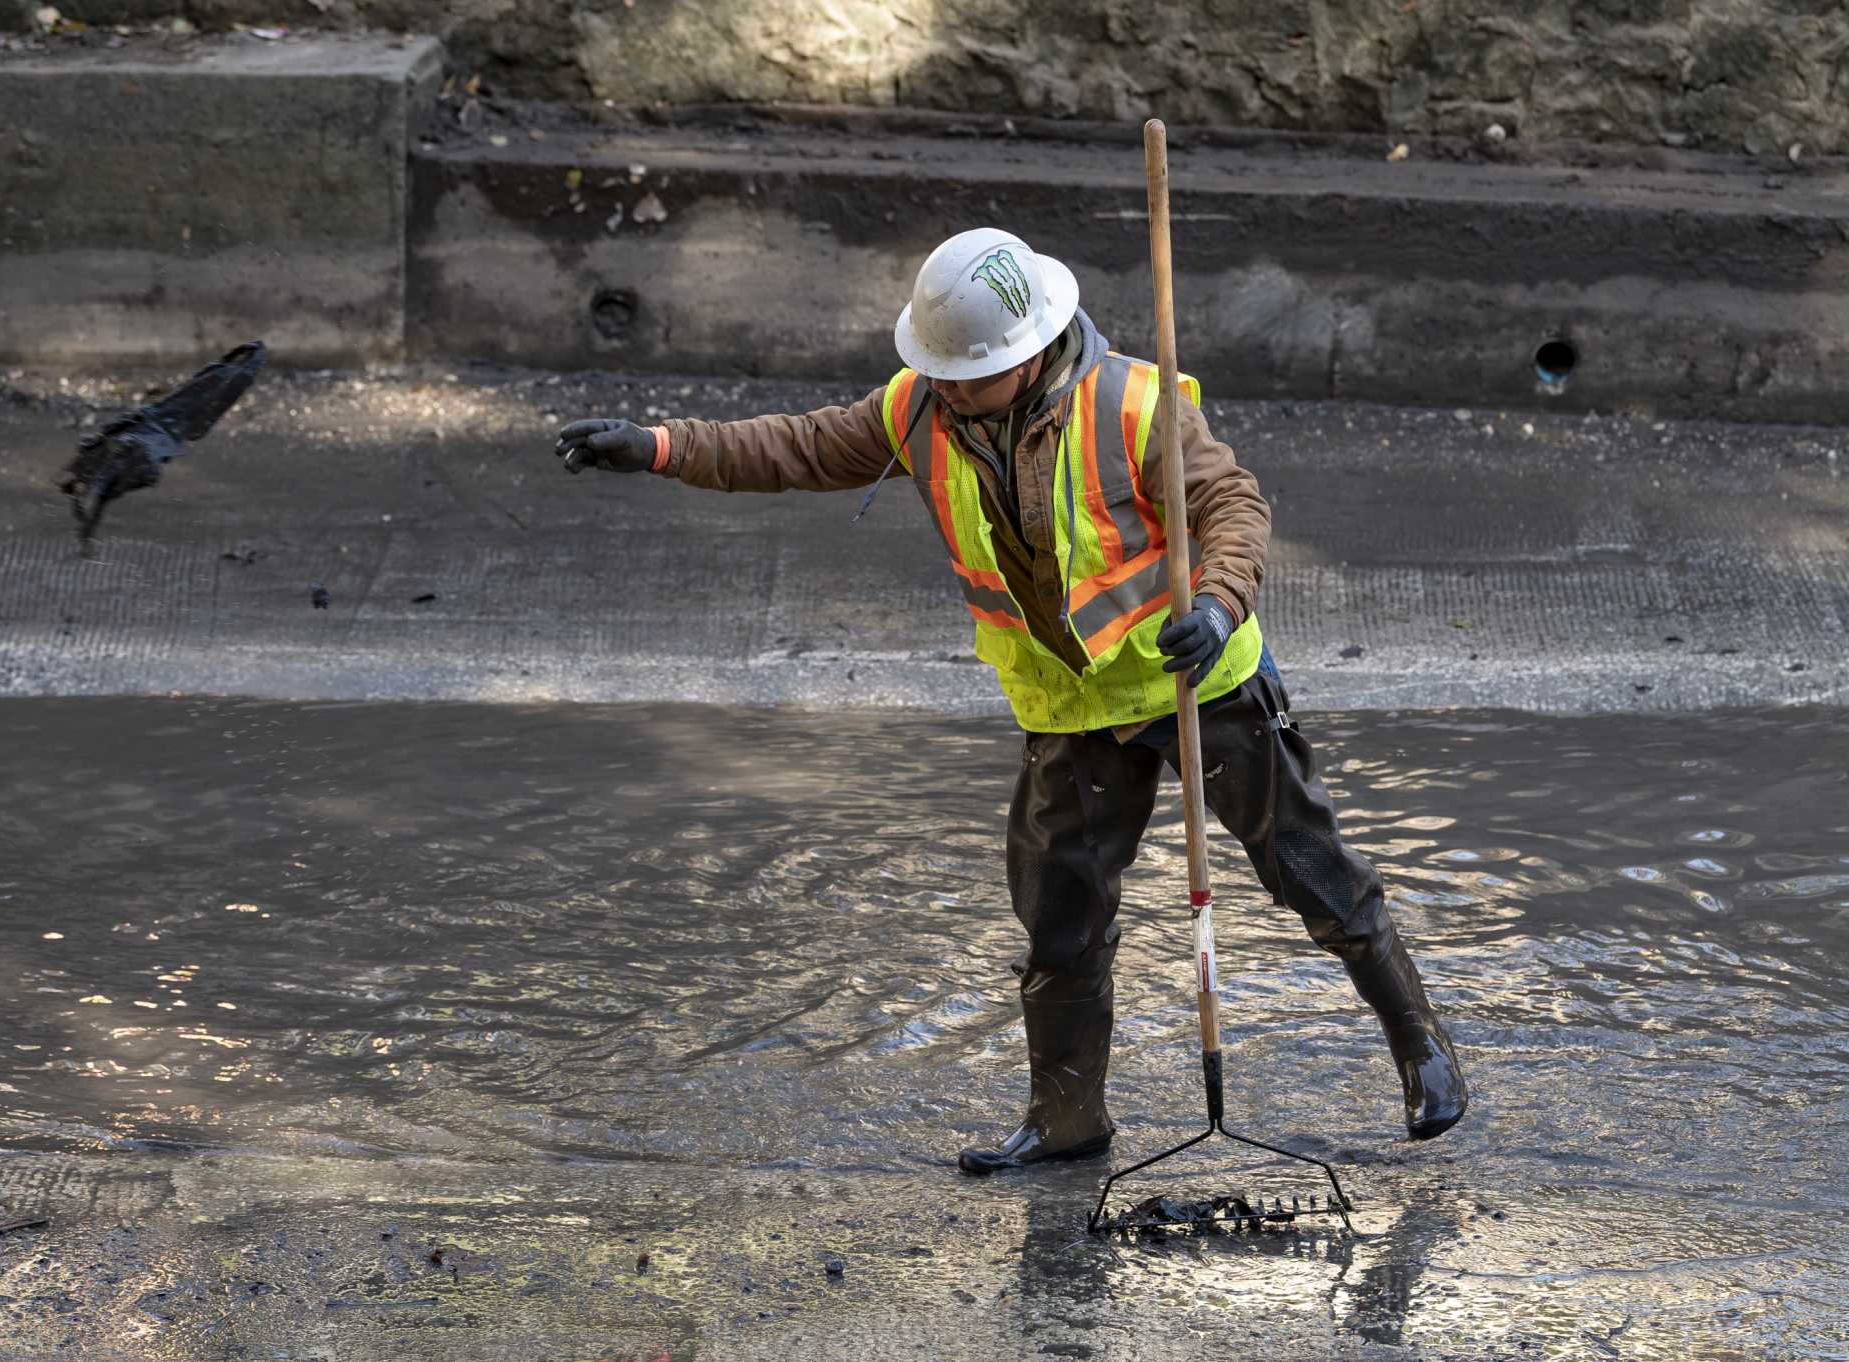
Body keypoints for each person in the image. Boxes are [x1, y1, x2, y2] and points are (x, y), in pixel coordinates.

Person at [552, 228, 1468, 1173]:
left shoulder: (1134, 406)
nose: (946, 388)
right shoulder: (919, 409)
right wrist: (658, 447)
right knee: (1060, 916)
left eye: (966, 375)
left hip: (1195, 679)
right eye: (936, 369)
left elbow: (1232, 504)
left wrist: (1219, 600)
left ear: (1028, 354)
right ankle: (1066, 1119)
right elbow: (795, 447)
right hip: (1069, 704)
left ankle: (1423, 1051)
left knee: (1309, 870)